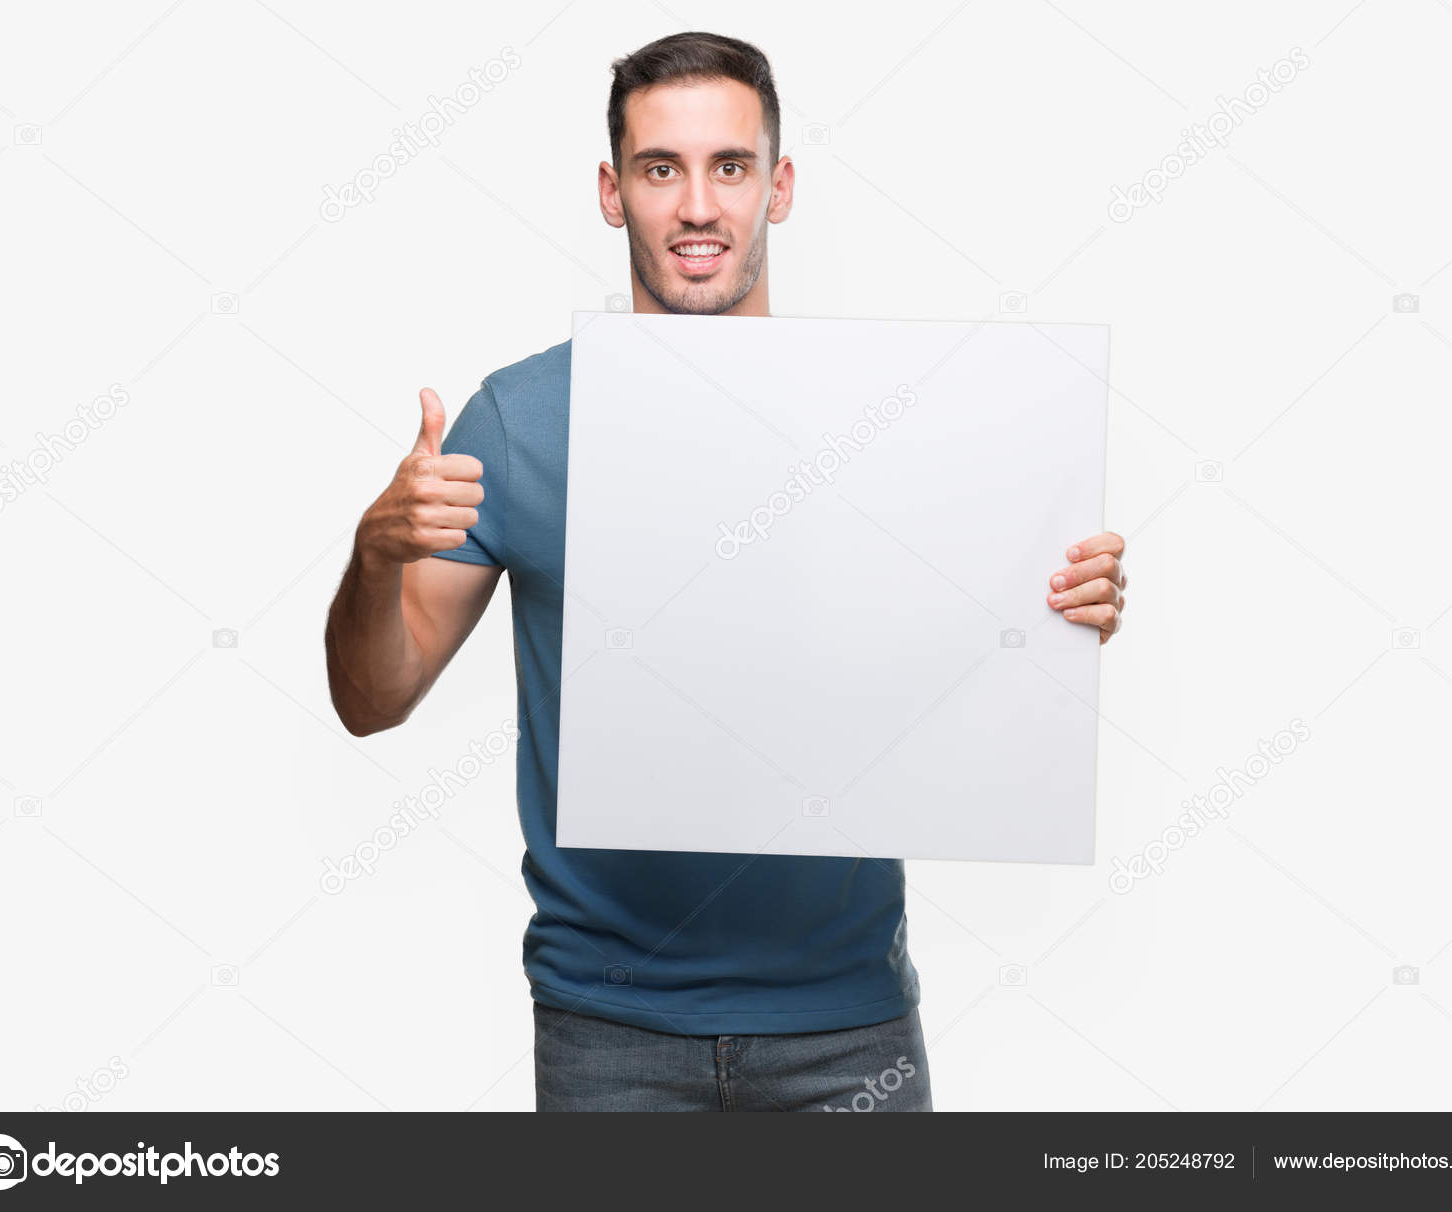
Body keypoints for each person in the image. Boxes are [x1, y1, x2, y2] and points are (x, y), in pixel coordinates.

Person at [324, 31, 1127, 1112]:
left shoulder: (896, 420)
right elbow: (371, 701)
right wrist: (374, 557)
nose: (697, 205)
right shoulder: (519, 421)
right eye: (661, 168)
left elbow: (950, 668)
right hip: (608, 1028)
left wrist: (1058, 618)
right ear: (613, 194)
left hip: (846, 1022)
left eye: (730, 167)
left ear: (778, 188)